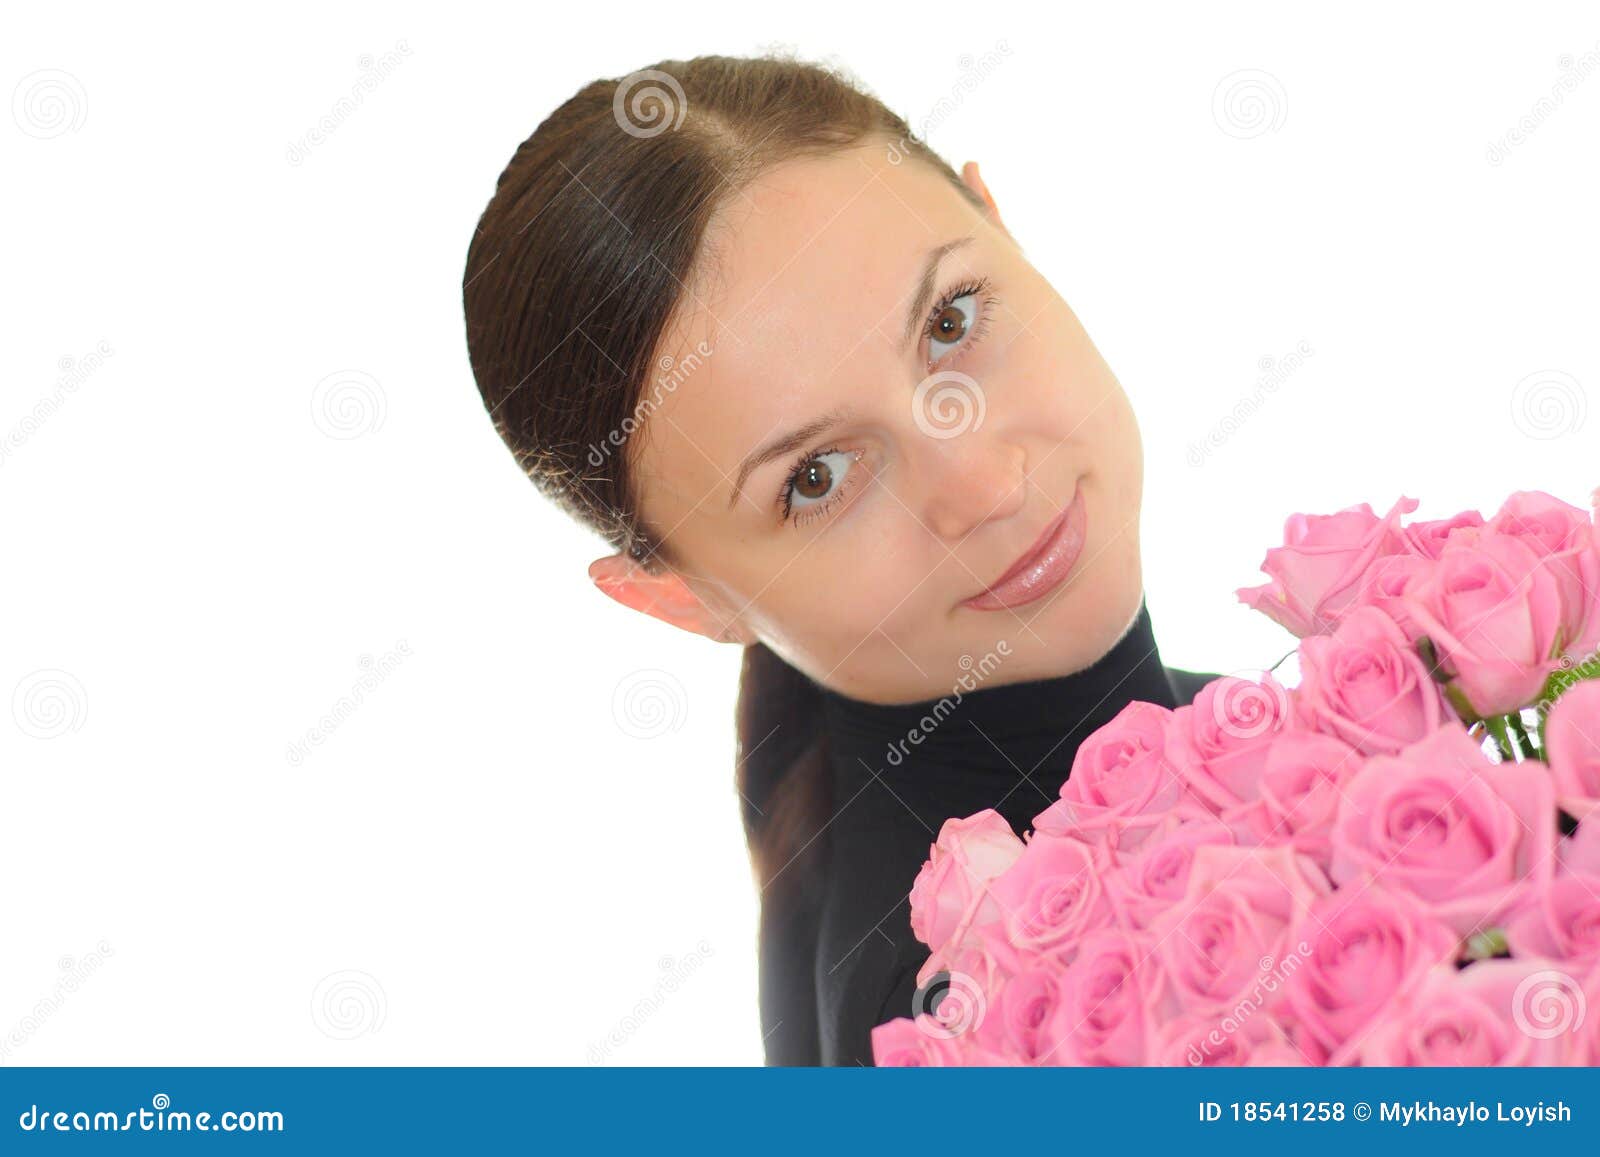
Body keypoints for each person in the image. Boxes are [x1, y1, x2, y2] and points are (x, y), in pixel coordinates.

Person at [461, 53, 1219, 1065]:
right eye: (815, 476)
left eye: (949, 320)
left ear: (1002, 226)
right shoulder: (982, 1022)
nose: (984, 483)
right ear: (684, 601)